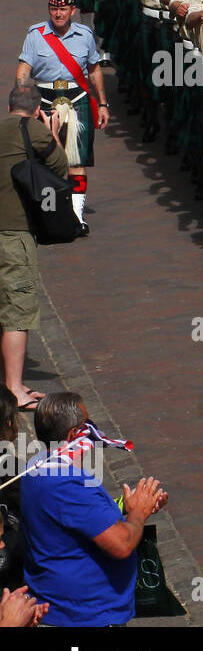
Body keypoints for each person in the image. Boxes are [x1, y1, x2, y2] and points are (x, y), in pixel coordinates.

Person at [22, 393, 168, 626]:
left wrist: (134, 506)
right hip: (86, 615)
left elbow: (78, 519)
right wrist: (138, 513)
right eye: (87, 427)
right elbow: (121, 545)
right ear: (73, 435)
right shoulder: (67, 484)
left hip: (64, 605)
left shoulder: (36, 467)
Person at [0, 82, 68, 410]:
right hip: (14, 234)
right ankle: (14, 388)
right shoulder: (33, 130)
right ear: (37, 108)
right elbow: (60, 167)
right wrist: (51, 130)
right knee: (17, 311)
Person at [16, 0, 105, 236]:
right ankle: (47, 214)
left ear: (72, 10)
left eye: (63, 9)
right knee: (44, 159)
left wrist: (104, 103)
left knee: (77, 161)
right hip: (44, 100)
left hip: (77, 99)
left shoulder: (85, 34)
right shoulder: (36, 35)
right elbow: (23, 70)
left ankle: (77, 216)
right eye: (54, 9)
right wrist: (24, 102)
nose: (58, 14)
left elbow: (95, 69)